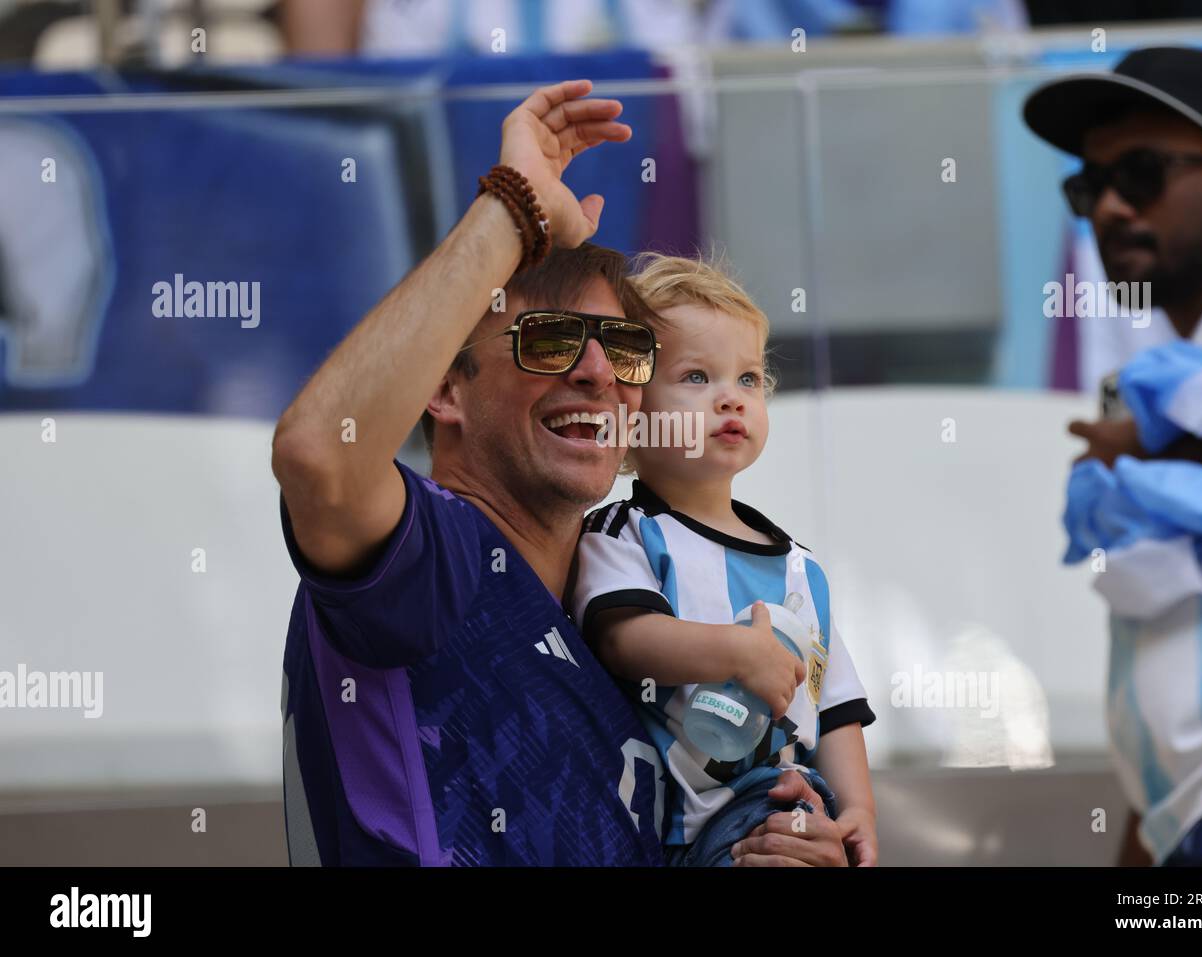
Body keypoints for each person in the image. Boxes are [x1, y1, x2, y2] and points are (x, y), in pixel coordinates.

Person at [272, 78, 849, 865]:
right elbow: (318, 456)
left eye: (624, 349)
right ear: (446, 385)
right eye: (548, 339)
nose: (595, 372)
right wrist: (514, 211)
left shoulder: (624, 624)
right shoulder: (437, 557)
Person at [1024, 47, 1202, 866]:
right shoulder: (1168, 376)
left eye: (1140, 173)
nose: (1108, 206)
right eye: (1088, 185)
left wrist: (1150, 441)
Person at [572, 253, 878, 866]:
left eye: (747, 379)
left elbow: (836, 707)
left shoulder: (801, 568)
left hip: (786, 799)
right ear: (633, 408)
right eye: (695, 377)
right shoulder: (625, 532)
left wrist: (859, 812)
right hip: (682, 822)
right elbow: (624, 640)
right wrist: (740, 652)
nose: (731, 400)